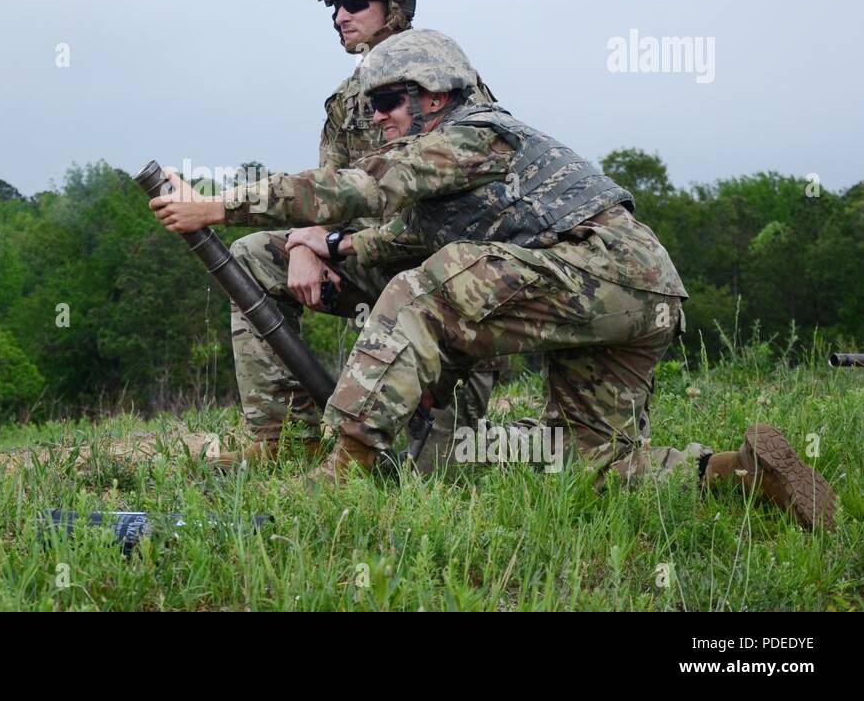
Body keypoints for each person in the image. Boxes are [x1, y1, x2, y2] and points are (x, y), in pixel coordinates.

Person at [151, 28, 836, 531]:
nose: (379, 115)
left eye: (390, 99)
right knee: (592, 474)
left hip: (601, 269)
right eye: (372, 103)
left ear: (437, 95)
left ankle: (340, 476)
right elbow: (397, 233)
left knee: (421, 291)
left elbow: (367, 185)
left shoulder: (475, 134)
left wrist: (218, 204)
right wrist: (319, 245)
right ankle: (744, 473)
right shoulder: (461, 168)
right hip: (643, 294)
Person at [217, 0, 494, 468]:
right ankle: (283, 439)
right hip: (369, 261)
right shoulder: (348, 99)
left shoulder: (446, 80)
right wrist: (303, 245)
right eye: (333, 8)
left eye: (353, 4)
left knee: (434, 468)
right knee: (253, 257)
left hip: (447, 276)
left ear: (396, 4)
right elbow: (329, 192)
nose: (339, 17)